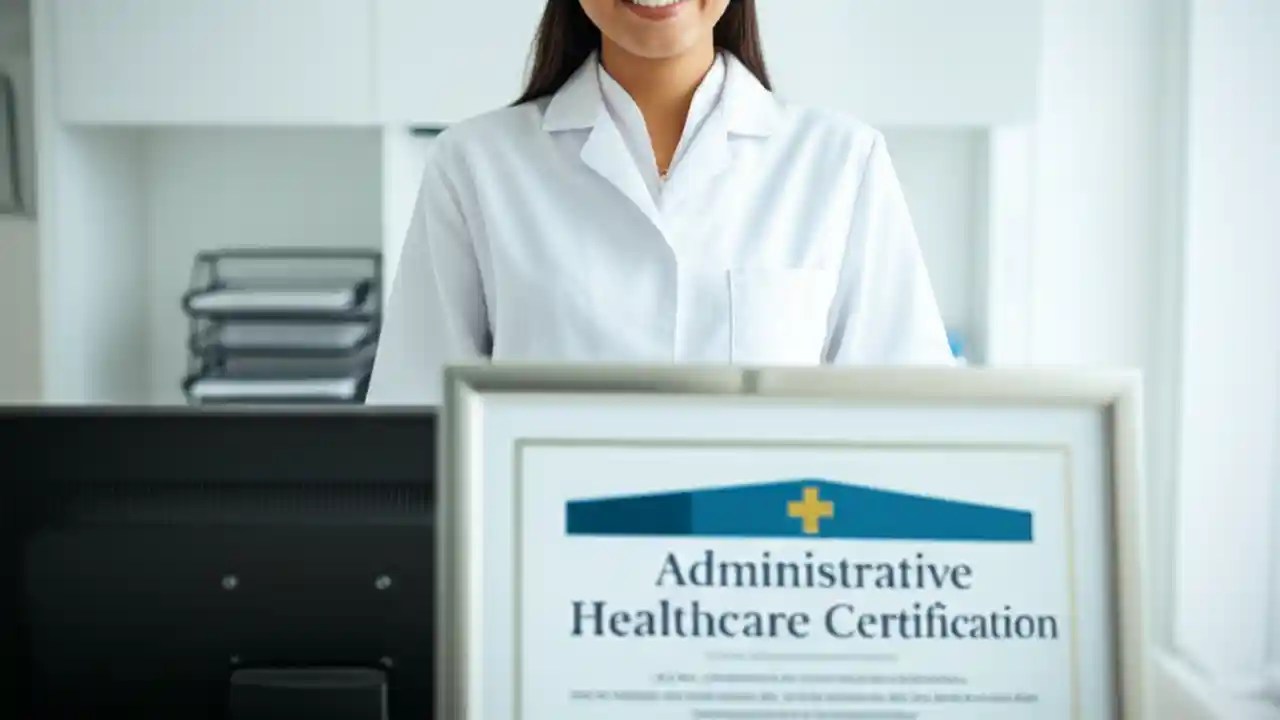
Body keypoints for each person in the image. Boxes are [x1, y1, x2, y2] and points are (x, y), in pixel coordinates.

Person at [365, 0, 953, 405]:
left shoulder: (840, 162)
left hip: (770, 567)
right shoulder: (475, 164)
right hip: (549, 570)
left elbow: (912, 427)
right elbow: (415, 431)